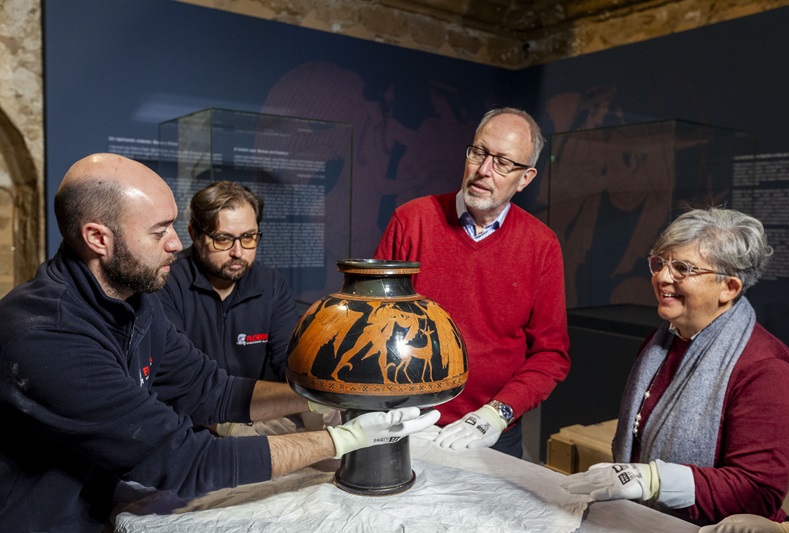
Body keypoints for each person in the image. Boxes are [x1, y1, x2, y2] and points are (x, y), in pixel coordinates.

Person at [0, 153, 440, 532]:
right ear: (98, 238)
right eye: (159, 231)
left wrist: (320, 397)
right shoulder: (45, 335)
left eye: (172, 225)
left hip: (99, 507)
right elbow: (185, 460)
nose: (175, 244)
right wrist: (343, 439)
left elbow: (212, 390)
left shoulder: (134, 301)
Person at [561, 207, 789, 526]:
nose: (662, 277)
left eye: (683, 268)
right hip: (647, 519)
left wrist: (654, 481)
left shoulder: (767, 369)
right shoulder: (662, 341)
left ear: (728, 287)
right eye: (659, 263)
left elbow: (757, 492)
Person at [374, 107, 571, 458]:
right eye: (479, 153)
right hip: (406, 424)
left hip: (492, 430)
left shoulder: (541, 245)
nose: (484, 170)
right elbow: (374, 323)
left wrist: (498, 414)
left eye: (503, 163)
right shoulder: (411, 221)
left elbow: (550, 354)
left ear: (525, 178)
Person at [157, 181, 309, 437]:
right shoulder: (167, 284)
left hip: (256, 412)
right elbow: (174, 378)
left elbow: (291, 363)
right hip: (187, 427)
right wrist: (223, 424)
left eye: (249, 237)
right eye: (223, 239)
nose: (238, 252)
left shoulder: (270, 285)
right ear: (194, 234)